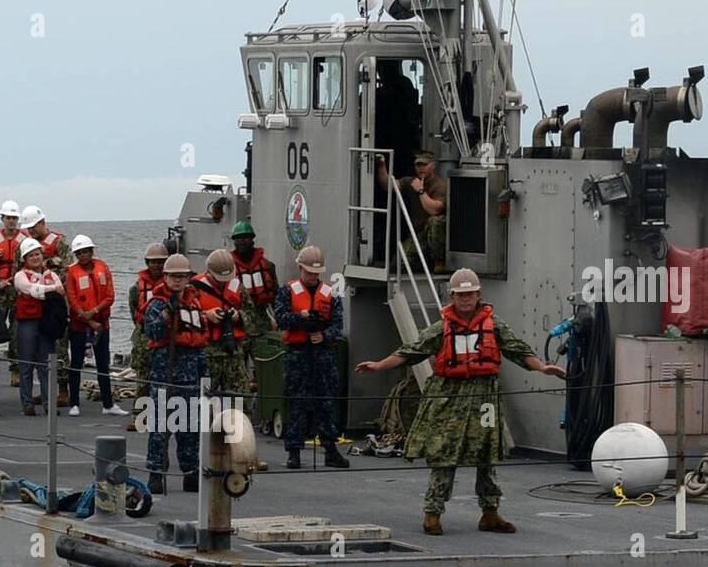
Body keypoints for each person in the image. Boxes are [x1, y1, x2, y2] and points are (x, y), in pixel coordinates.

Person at [357, 268, 567, 534]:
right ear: (452, 297)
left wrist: (542, 368)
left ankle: (490, 512)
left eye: (470, 294)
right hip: (449, 395)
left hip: (484, 395)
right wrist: (379, 366)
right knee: (444, 452)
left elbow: (518, 350)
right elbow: (411, 351)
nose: (466, 299)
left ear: (479, 294)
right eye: (460, 295)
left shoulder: (494, 325)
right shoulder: (441, 328)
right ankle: (432, 513)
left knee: (487, 451)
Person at [275, 246, 349, 470]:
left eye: (316, 273)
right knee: (296, 402)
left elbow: (338, 324)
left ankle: (330, 449)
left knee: (325, 402)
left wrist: (323, 335)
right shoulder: (287, 291)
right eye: (309, 273)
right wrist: (301, 318)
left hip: (323, 355)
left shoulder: (330, 293)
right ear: (300, 269)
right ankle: (294, 452)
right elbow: (280, 318)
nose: (312, 277)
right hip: (297, 355)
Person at [143, 253, 206, 494]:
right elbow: (153, 332)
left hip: (189, 376)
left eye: (182, 277)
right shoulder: (157, 304)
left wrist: (204, 374)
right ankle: (156, 473)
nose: (178, 281)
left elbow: (200, 341)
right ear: (166, 278)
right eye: (173, 277)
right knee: (160, 428)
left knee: (189, 428)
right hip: (164, 375)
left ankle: (190, 473)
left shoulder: (194, 303)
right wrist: (167, 314)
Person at [19, 205, 74, 406]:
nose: (30, 232)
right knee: (37, 350)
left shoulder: (59, 242)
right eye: (28, 229)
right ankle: (44, 390)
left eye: (33, 227)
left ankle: (63, 389)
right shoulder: (27, 246)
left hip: (54, 303)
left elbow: (68, 270)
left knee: (58, 346)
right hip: (34, 305)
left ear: (43, 223)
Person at [63, 234, 124, 417]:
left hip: (102, 325)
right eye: (79, 253)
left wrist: (95, 312)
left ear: (91, 251)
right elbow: (72, 300)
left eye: (85, 251)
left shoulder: (102, 267)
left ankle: (108, 404)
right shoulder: (71, 272)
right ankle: (74, 403)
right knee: (76, 364)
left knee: (103, 364)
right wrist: (89, 319)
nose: (83, 255)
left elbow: (110, 296)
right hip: (80, 326)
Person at [13, 237, 65, 415]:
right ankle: (27, 404)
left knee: (46, 365)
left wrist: (41, 290)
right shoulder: (20, 276)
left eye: (37, 254)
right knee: (26, 364)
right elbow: (30, 290)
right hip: (27, 322)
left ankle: (49, 403)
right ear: (24, 259)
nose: (35, 258)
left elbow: (59, 290)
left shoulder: (52, 274)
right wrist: (49, 291)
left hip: (46, 324)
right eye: (31, 255)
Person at [192, 248, 250, 406]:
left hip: (233, 353)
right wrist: (206, 315)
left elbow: (252, 317)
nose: (223, 281)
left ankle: (237, 428)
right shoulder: (194, 288)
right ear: (209, 271)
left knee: (240, 400)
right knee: (201, 401)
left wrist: (238, 316)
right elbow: (185, 319)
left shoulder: (237, 286)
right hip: (207, 353)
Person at [377, 150, 447, 272]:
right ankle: (420, 265)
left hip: (435, 235)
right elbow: (388, 185)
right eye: (418, 165)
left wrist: (421, 191)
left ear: (433, 165)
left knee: (435, 221)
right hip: (418, 233)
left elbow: (435, 210)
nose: (421, 168)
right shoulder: (411, 181)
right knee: (397, 265)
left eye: (424, 165)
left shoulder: (440, 185)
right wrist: (381, 165)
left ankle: (439, 262)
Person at [127, 243, 167, 430]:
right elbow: (134, 311)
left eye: (160, 262)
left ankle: (165, 414)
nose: (157, 266)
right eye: (153, 262)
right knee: (143, 378)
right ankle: (140, 416)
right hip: (144, 339)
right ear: (147, 263)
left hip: (165, 338)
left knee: (165, 378)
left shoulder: (171, 286)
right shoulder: (137, 288)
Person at [229, 220, 278, 371]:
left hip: (262, 326)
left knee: (266, 370)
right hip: (238, 328)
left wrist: (279, 323)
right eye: (239, 238)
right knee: (238, 373)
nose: (242, 242)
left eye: (246, 238)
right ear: (234, 242)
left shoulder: (268, 266)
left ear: (252, 240)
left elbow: (275, 297)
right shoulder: (228, 269)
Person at [0, 200, 25, 385]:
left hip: (18, 291)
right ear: (2, 218)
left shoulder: (25, 238)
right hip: (0, 291)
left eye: (14, 218)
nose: (11, 221)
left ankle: (15, 369)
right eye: (8, 218)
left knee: (16, 331)